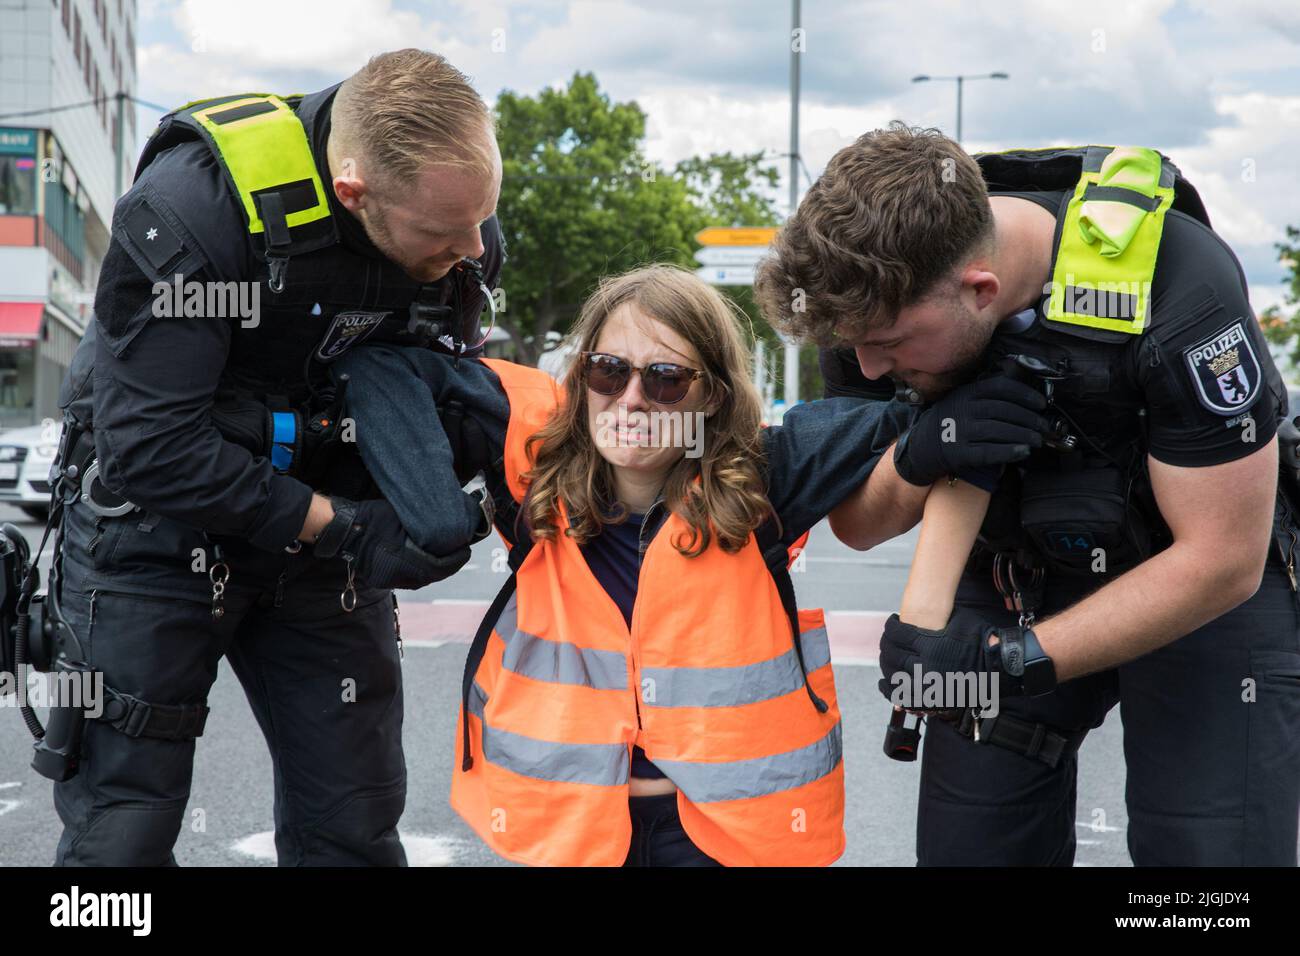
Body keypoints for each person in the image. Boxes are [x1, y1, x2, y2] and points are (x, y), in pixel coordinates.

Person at [337, 263, 1051, 865]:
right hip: (573, 834)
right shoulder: (531, 463)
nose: (631, 399)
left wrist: (932, 446)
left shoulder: (770, 474)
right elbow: (381, 365)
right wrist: (433, 512)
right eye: (608, 371)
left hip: (721, 840)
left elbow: (922, 409)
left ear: (710, 394)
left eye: (668, 379)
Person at [755, 124, 1300, 866]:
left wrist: (1009, 662)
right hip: (1016, 573)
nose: (870, 368)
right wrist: (919, 454)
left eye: (889, 345)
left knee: (1206, 870)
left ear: (980, 290)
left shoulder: (1180, 285)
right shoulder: (865, 300)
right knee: (971, 850)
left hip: (1197, 584)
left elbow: (1224, 559)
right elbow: (856, 524)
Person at [44, 49, 502, 866]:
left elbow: (438, 376)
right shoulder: (193, 206)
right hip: (154, 534)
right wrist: (347, 530)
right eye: (443, 234)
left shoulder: (455, 218)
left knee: (351, 828)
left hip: (323, 543)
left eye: (481, 221)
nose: (472, 250)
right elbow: (153, 449)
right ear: (355, 191)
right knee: (124, 831)